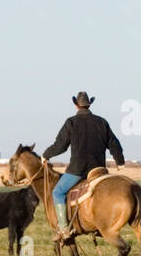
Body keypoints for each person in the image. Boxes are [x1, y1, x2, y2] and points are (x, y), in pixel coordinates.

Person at [42, 91, 126, 241]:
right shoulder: (102, 122)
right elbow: (114, 143)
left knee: (58, 193)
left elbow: (60, 146)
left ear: (76, 105)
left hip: (78, 170)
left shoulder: (71, 122)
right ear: (89, 104)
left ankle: (64, 228)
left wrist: (46, 155)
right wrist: (119, 161)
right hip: (98, 170)